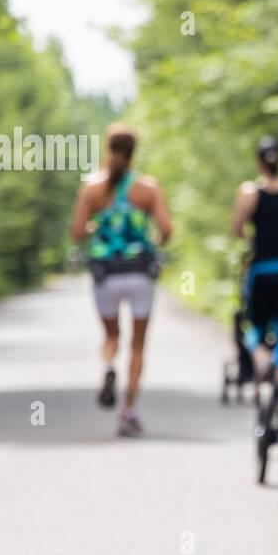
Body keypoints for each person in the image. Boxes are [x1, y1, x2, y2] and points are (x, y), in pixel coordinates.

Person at [69, 123, 172, 437]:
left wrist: (94, 230)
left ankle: (108, 366)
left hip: (106, 273)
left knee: (111, 335)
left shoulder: (91, 187)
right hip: (139, 271)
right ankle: (128, 411)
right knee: (138, 344)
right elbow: (166, 230)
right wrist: (151, 240)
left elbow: (76, 232)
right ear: (133, 151)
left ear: (108, 148)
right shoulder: (148, 188)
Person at [234, 136, 278, 361]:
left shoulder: (251, 191)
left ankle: (260, 360)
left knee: (255, 326)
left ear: (259, 161)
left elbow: (237, 228)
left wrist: (251, 238)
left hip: (260, 268)